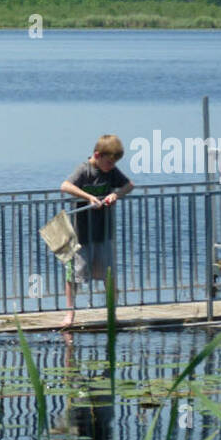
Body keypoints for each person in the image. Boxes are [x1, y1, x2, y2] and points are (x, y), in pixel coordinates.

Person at [60, 135, 134, 328]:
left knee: (108, 274)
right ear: (97, 155)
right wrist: (89, 197)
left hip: (104, 232)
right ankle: (70, 313)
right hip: (80, 234)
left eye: (114, 163)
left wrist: (115, 194)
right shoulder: (84, 169)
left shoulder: (111, 171)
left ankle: (112, 312)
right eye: (109, 162)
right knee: (74, 275)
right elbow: (65, 186)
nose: (111, 166)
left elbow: (129, 185)